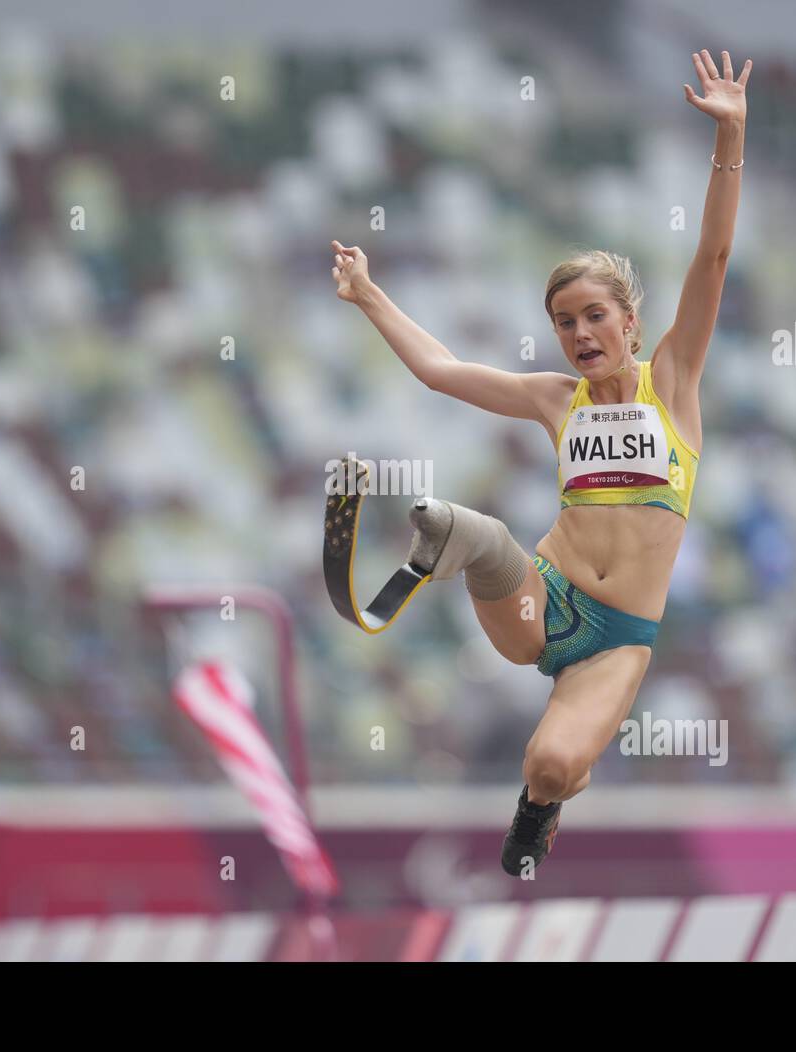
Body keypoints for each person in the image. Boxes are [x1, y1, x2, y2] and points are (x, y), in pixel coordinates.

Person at [331, 49, 751, 876]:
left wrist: (730, 136)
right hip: (541, 601)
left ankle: (542, 805)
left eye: (594, 316)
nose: (580, 334)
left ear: (631, 322)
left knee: (552, 766)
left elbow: (710, 259)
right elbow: (441, 372)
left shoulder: (672, 384)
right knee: (472, 534)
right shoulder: (553, 400)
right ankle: (445, 542)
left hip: (615, 644)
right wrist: (369, 293)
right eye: (564, 322)